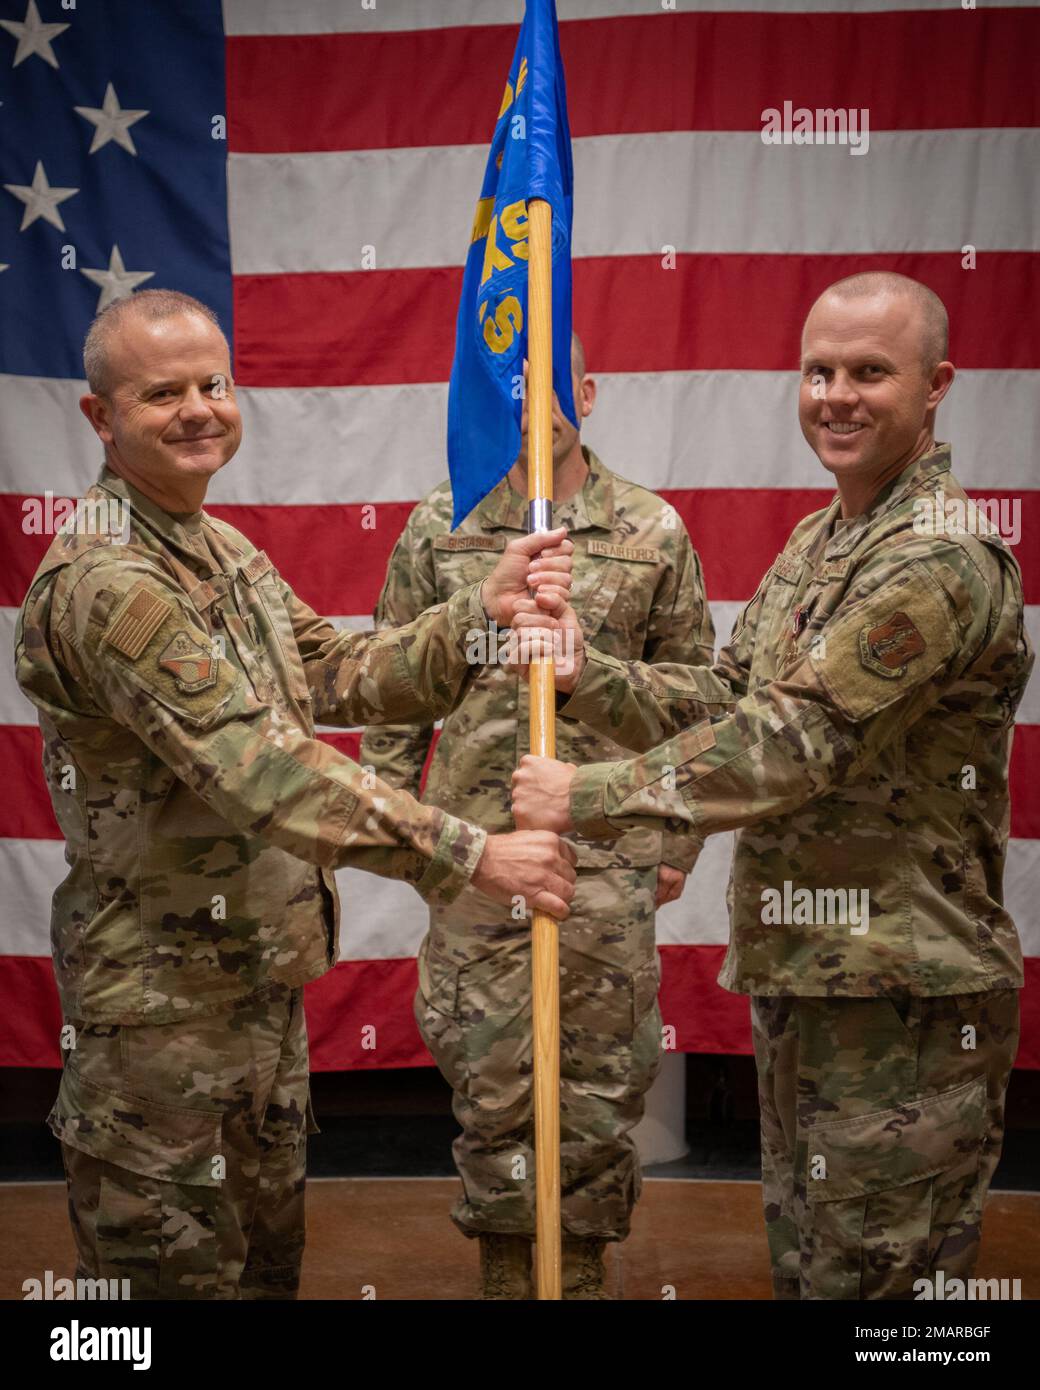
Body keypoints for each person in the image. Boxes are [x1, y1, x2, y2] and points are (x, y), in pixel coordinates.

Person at [14, 289, 577, 1300]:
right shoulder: (112, 581)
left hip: (254, 995)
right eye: (161, 393)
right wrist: (469, 853)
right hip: (159, 1023)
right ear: (101, 419)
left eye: (212, 384)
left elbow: (332, 670)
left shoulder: (215, 549)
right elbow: (261, 767)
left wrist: (474, 614)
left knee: (264, 1277)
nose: (198, 408)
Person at [510, 273, 1034, 1300]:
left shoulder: (933, 561)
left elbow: (791, 741)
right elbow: (731, 696)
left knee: (887, 1296)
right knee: (812, 1274)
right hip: (811, 974)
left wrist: (590, 794)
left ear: (936, 385)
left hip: (903, 994)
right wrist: (590, 675)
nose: (834, 395)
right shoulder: (818, 541)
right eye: (817, 370)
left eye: (868, 373)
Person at [360, 333, 715, 1298]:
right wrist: (408, 839)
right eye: (511, 383)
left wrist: (675, 836)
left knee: (599, 1095)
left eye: (550, 380)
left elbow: (699, 703)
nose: (530, 401)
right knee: (492, 1089)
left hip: (602, 862)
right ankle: (509, 1280)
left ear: (588, 393)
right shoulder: (444, 524)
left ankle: (584, 1278)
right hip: (478, 860)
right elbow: (391, 695)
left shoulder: (653, 531)